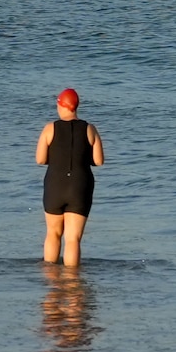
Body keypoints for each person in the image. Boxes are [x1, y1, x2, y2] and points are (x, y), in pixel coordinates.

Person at [35, 89, 104, 267]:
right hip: (80, 186)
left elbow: (40, 159)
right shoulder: (90, 129)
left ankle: (51, 282)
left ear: (61, 105)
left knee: (53, 233)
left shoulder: (50, 128)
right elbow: (99, 160)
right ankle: (73, 284)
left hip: (55, 185)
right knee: (73, 239)